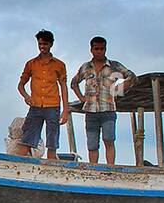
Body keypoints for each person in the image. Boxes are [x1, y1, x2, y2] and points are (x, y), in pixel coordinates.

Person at [70, 36, 137, 165]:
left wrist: (120, 88)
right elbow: (74, 83)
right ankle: (94, 169)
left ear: (105, 49)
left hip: (108, 109)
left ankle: (110, 167)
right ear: (91, 50)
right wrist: (82, 98)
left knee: (109, 140)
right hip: (90, 110)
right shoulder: (86, 67)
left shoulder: (113, 66)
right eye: (97, 49)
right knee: (92, 144)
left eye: (102, 49)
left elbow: (132, 77)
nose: (99, 51)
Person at [16, 29, 70, 160]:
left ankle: (51, 168)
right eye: (40, 44)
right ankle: (17, 166)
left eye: (45, 44)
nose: (42, 47)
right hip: (35, 106)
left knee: (52, 143)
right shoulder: (31, 64)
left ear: (51, 44)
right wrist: (26, 96)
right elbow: (20, 85)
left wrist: (65, 110)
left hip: (52, 106)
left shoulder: (59, 65)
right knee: (26, 140)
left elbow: (63, 87)